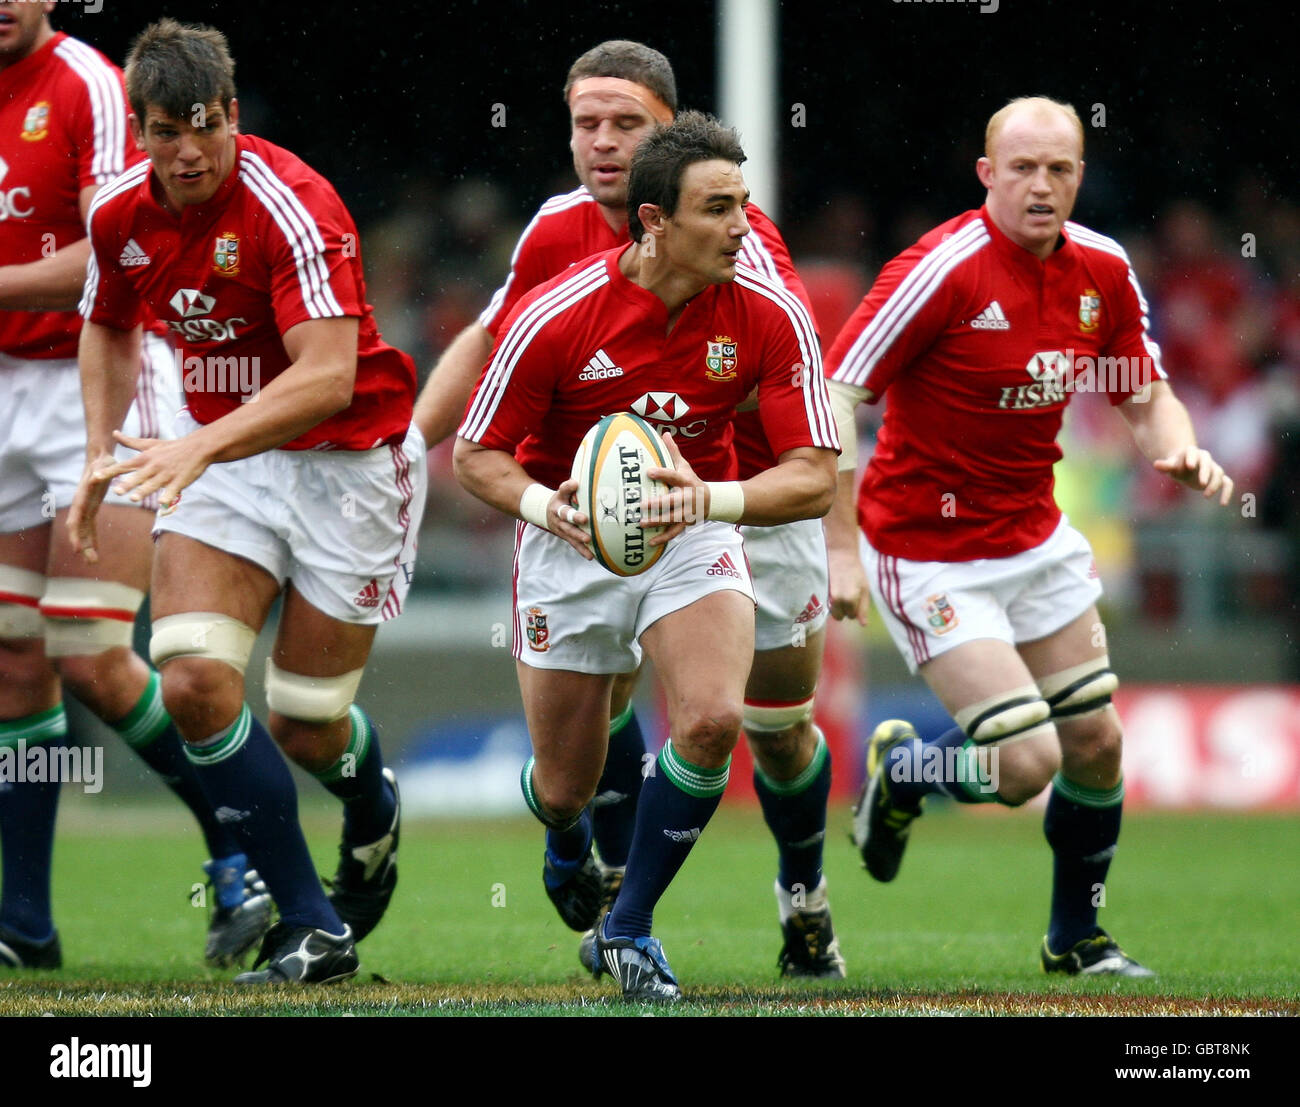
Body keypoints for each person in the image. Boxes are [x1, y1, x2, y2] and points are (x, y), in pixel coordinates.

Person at [419, 40, 845, 978]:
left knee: (716, 720)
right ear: (657, 220)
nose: (742, 226)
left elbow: (818, 464)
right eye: (719, 210)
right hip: (569, 538)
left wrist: (713, 499)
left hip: (701, 529)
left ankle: (631, 923)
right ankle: (569, 835)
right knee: (566, 784)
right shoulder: (555, 297)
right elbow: (477, 451)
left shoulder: (766, 299)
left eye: (741, 205)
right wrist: (539, 502)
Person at [824, 96, 1234, 976]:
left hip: (1035, 541)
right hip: (925, 548)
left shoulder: (1104, 269)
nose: (1041, 186)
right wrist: (839, 548)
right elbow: (834, 396)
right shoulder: (939, 270)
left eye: (1059, 169)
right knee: (1023, 764)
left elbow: (1139, 387)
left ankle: (1075, 939)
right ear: (987, 175)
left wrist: (1177, 448)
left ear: (1081, 175)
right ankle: (906, 776)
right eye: (1022, 169)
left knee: (1097, 744)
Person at [67, 18, 426, 984]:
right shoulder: (118, 217)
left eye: (201, 125)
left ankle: (370, 802)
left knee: (305, 719)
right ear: (138, 132)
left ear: (230, 114)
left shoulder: (293, 203)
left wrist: (196, 440)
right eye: (161, 132)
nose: (185, 151)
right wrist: (102, 448)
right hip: (225, 466)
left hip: (349, 463)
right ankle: (311, 923)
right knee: (188, 679)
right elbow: (105, 325)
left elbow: (328, 375)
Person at [0, 0, 269, 969]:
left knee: (86, 650)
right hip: (3, 393)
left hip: (102, 375)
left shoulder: (85, 87)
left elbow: (108, 249)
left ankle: (243, 843)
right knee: (15, 659)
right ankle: (25, 924)